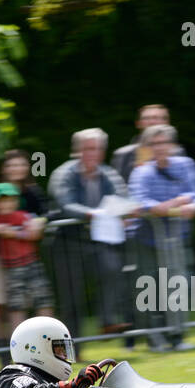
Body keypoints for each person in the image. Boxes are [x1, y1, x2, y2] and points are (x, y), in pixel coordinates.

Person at [129, 124, 195, 351]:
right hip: (148, 239)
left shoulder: (186, 165)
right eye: (154, 144)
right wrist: (172, 205)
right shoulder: (141, 172)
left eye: (164, 142)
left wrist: (191, 204)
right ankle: (156, 339)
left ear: (172, 145)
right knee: (150, 288)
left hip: (178, 238)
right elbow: (141, 201)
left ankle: (178, 336)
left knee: (179, 285)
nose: (160, 148)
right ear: (147, 148)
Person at [48, 128, 133, 340]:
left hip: (97, 240)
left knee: (112, 269)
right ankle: (71, 348)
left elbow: (122, 198)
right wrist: (92, 213)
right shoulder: (63, 174)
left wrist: (125, 212)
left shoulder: (108, 174)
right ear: (76, 151)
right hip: (66, 241)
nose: (92, 153)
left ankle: (107, 320)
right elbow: (64, 203)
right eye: (87, 148)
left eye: (96, 148)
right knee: (71, 297)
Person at [0, 150, 48, 363]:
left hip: (28, 261)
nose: (16, 169)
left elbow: (44, 214)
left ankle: (46, 348)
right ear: (3, 169)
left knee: (37, 302)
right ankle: (9, 355)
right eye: (11, 165)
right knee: (2, 307)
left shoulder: (32, 192)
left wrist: (35, 225)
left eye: (20, 164)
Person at [0, 182, 53, 329]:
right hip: (11, 270)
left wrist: (13, 233)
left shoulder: (22, 216)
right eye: (1, 201)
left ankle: (49, 336)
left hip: (32, 264)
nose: (5, 204)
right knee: (16, 306)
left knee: (43, 300)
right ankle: (19, 344)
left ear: (16, 201)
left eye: (10, 200)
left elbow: (33, 234)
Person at [111, 105, 183, 182]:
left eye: (157, 118)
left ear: (167, 123)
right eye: (147, 118)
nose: (152, 122)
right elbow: (118, 187)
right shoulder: (123, 154)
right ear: (138, 123)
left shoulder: (178, 152)